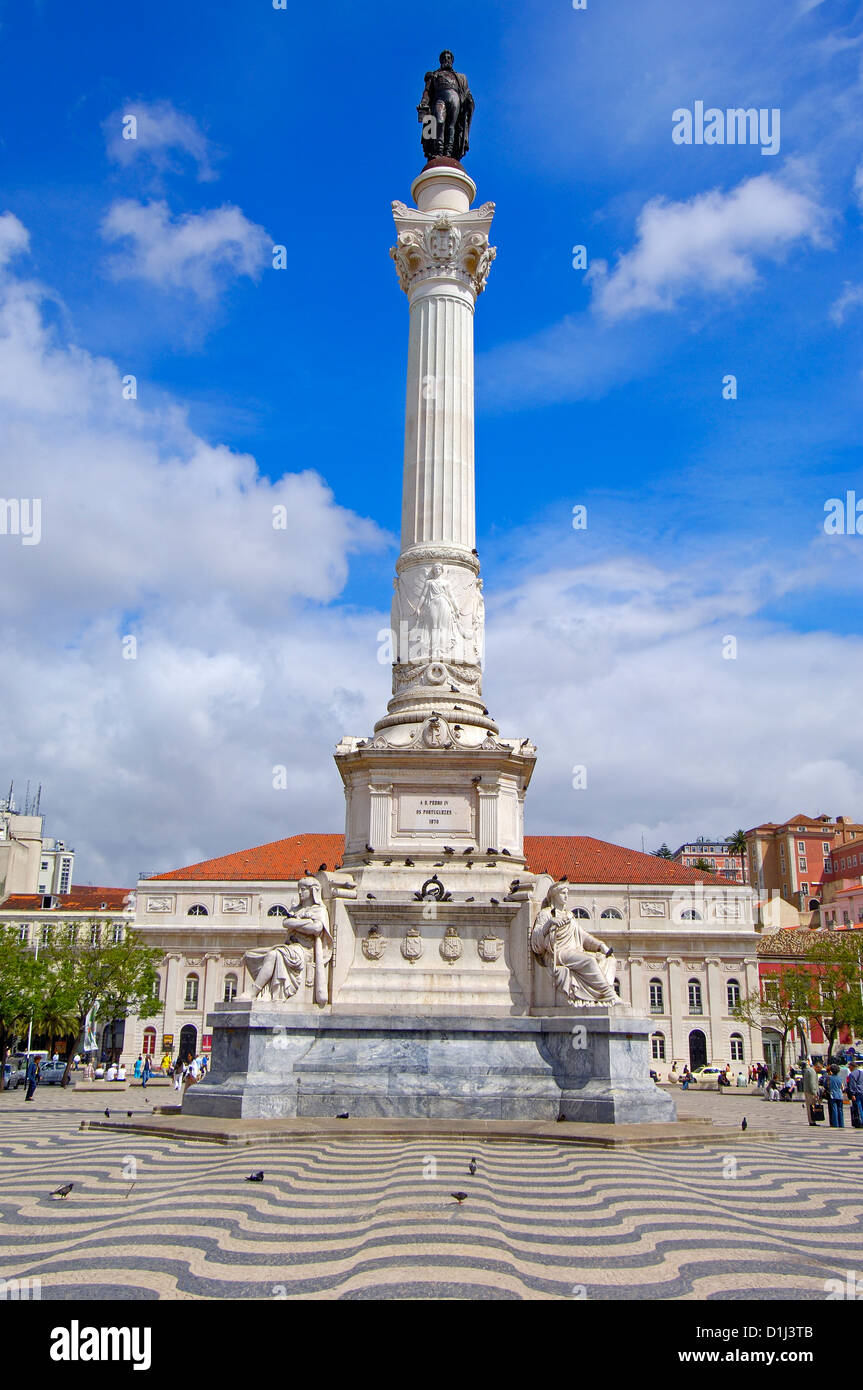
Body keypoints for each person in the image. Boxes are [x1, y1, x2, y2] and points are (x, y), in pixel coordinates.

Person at [802, 1059, 821, 1125]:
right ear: (816, 1067)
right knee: (811, 1107)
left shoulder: (808, 1071)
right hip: (811, 1092)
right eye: (819, 1068)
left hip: (807, 1091)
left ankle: (811, 1120)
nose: (820, 1070)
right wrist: (815, 1093)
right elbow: (812, 1083)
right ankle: (812, 1121)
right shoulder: (812, 1072)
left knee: (809, 1106)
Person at [846, 1062, 863, 1129]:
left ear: (852, 1067)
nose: (849, 1068)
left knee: (859, 1108)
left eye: (849, 1067)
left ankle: (861, 1122)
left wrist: (852, 1094)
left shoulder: (852, 1075)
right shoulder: (861, 1073)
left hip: (857, 1093)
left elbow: (852, 1085)